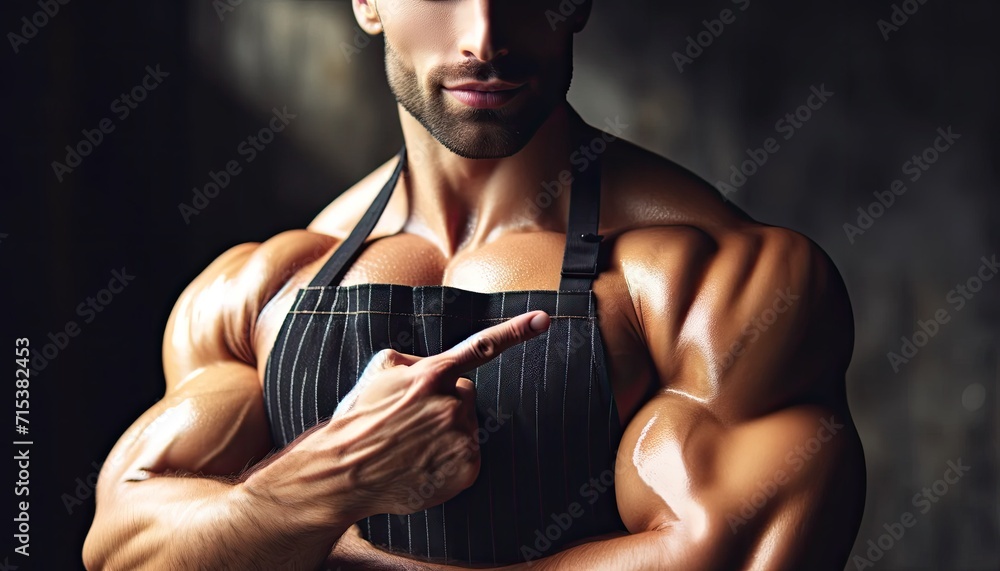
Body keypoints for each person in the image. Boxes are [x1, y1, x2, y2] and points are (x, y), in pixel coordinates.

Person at [83, 0, 866, 569]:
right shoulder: (264, 287)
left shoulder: (720, 282)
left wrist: (317, 541)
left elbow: (726, 556)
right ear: (367, 3)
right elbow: (125, 547)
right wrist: (331, 476)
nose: (484, 35)